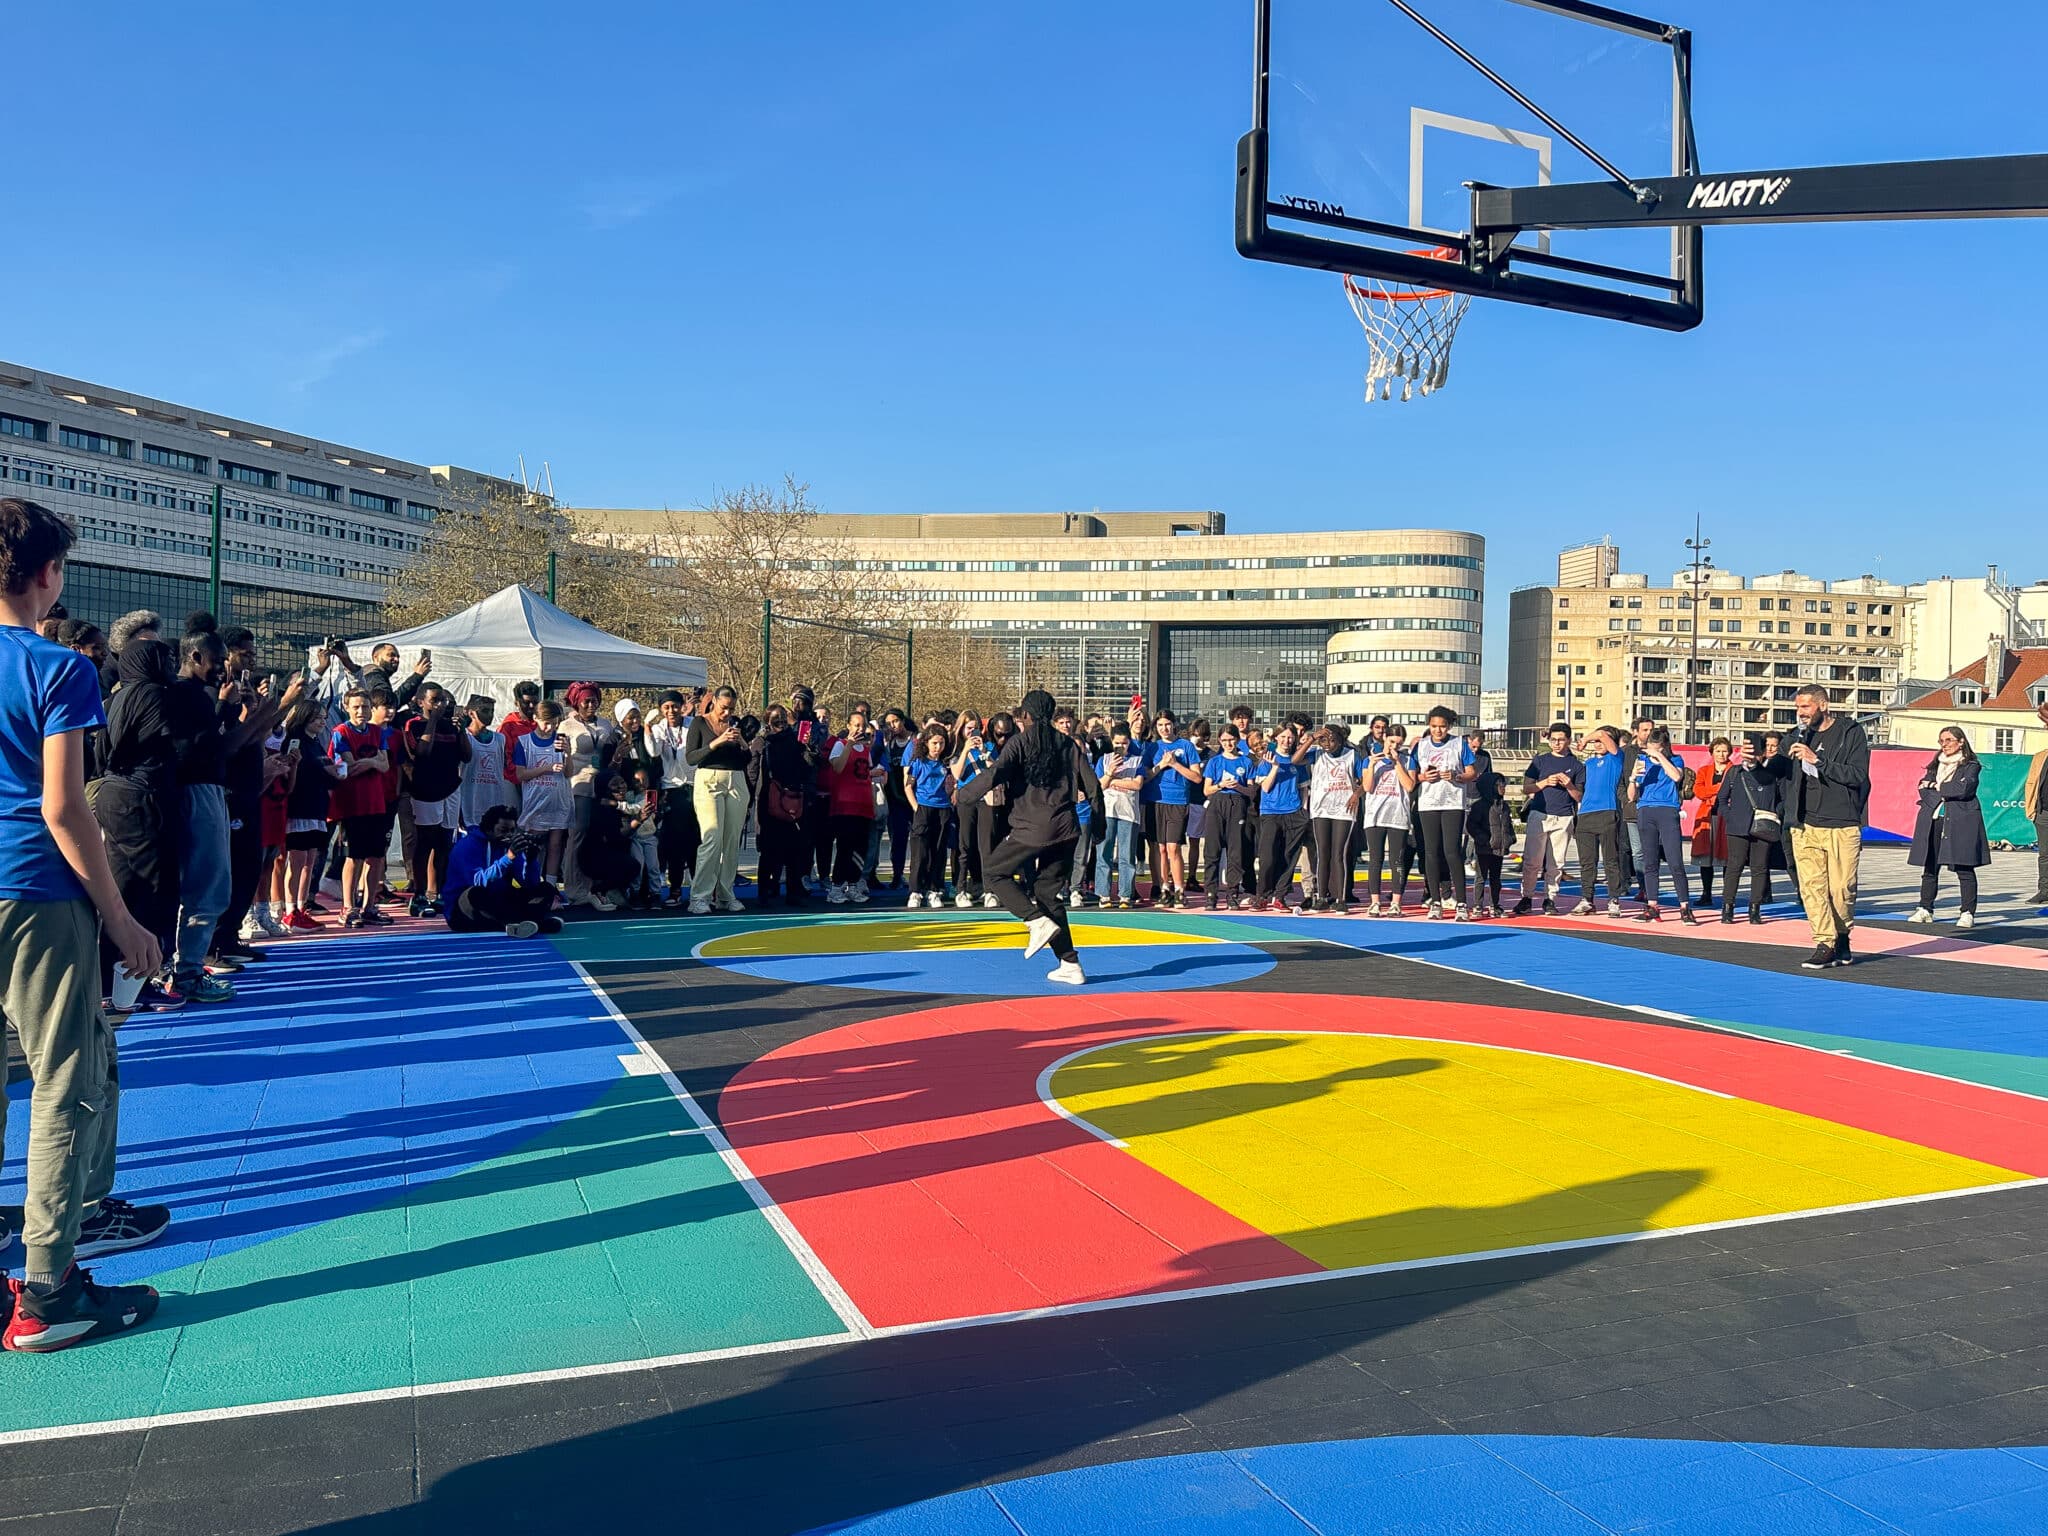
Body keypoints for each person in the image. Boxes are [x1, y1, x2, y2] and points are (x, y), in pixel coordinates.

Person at [1, 497, 167, 1351]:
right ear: (50, 575)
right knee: (65, 1083)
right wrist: (120, 915)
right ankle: (48, 1292)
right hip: (34, 893)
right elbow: (65, 808)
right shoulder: (56, 668)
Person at [955, 689, 1103, 985]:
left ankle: (1034, 921)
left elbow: (994, 773)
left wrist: (964, 795)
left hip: (1031, 828)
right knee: (1049, 895)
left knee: (994, 872)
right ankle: (1070, 963)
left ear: (1025, 715)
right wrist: (1099, 828)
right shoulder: (1069, 745)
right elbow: (1093, 786)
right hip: (1066, 829)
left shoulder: (1020, 743)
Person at [94, 639, 184, 1007]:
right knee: (151, 890)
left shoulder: (116, 698)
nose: (172, 664)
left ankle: (107, 982)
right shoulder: (154, 696)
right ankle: (139, 979)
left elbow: (99, 753)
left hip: (113, 794)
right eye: (166, 658)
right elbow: (175, 745)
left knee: (123, 888)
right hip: (143, 794)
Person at [1786, 684, 1871, 969]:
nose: (1801, 714)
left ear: (1822, 705)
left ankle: (1842, 934)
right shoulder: (1798, 736)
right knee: (1812, 887)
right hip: (1805, 824)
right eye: (1798, 708)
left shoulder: (1851, 733)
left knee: (1842, 889)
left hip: (1842, 823)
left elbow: (1858, 775)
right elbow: (1777, 765)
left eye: (1806, 707)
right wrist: (1757, 759)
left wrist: (1818, 761)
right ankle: (1824, 942)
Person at [400, 684, 472, 918]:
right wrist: (433, 721)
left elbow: (467, 756)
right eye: (434, 700)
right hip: (426, 790)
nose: (440, 704)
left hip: (451, 787)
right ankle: (419, 894)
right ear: (421, 702)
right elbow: (421, 752)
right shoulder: (414, 723)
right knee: (425, 842)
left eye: (442, 700)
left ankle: (439, 892)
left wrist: (461, 730)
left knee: (444, 843)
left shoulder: (450, 726)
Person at [1907, 726, 1989, 929]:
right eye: (1941, 741)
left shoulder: (1970, 765)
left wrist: (1936, 787)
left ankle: (1967, 912)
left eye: (1949, 740)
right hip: (1934, 820)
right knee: (1930, 866)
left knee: (1964, 867)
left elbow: (1964, 789)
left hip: (1960, 821)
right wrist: (1939, 789)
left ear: (1960, 742)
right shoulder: (1935, 765)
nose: (1944, 744)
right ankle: (1925, 908)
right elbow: (1922, 789)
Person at [327, 688, 395, 930]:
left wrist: (369, 762)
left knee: (376, 856)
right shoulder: (341, 733)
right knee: (353, 857)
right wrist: (371, 762)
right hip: (352, 804)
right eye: (356, 707)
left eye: (365, 707)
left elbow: (385, 765)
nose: (361, 711)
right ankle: (348, 907)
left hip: (376, 802)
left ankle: (369, 906)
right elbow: (349, 767)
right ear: (347, 707)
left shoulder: (377, 732)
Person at [685, 686, 752, 915]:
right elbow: (691, 757)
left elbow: (747, 759)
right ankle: (700, 896)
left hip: (736, 780)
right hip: (709, 779)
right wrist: (717, 741)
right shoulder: (699, 724)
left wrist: (742, 741)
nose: (727, 713)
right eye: (724, 708)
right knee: (712, 838)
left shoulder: (736, 725)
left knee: (731, 841)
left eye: (731, 709)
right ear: (714, 701)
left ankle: (725, 894)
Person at [444, 805, 561, 937]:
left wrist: (530, 860)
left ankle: (523, 923)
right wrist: (508, 857)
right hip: (463, 909)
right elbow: (478, 881)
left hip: (497, 901)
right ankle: (523, 923)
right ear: (489, 828)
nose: (509, 835)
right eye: (503, 830)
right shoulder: (467, 846)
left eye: (512, 830)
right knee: (475, 894)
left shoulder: (508, 846)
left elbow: (529, 884)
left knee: (545, 889)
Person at [280, 702, 342, 930]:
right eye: (317, 718)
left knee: (310, 860)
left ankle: (301, 906)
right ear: (305, 717)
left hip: (318, 807)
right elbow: (292, 773)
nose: (322, 722)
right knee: (296, 861)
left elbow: (325, 774)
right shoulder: (295, 742)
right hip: (299, 807)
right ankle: (289, 911)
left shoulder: (317, 744)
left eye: (323, 718)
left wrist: (333, 774)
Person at [1412, 706, 1477, 921]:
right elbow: (1412, 777)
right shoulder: (1420, 746)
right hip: (1428, 803)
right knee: (1431, 852)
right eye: (1433, 726)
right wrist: (1424, 777)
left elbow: (1471, 773)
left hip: (1452, 803)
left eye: (1442, 726)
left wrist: (1456, 776)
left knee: (1452, 851)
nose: (1438, 730)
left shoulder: (1459, 744)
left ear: (1449, 726)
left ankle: (1461, 903)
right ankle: (1435, 901)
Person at [1628, 724, 1696, 924]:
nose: (1651, 752)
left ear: (1664, 746)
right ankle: (1652, 906)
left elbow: (1676, 776)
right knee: (1650, 862)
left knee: (1675, 861)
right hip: (1645, 810)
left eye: (1656, 747)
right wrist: (1634, 777)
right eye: (1650, 747)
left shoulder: (1675, 760)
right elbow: (1632, 796)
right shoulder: (1641, 760)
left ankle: (1684, 906)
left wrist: (1660, 757)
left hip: (1667, 810)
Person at [1714, 734, 1784, 925]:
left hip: (1764, 826)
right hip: (1737, 827)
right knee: (1734, 868)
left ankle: (1755, 909)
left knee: (1759, 868)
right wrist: (1729, 817)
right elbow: (1721, 799)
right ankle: (1727, 908)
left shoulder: (1774, 773)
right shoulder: (1735, 772)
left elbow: (1782, 800)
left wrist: (1774, 814)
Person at [559, 682, 611, 911]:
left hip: (601, 784)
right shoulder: (566, 725)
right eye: (586, 701)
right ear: (576, 702)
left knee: (596, 836)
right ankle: (573, 887)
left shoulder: (606, 724)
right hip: (577, 783)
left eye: (594, 700)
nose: (591, 705)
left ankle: (594, 885)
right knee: (576, 835)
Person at [1517, 723, 1580, 916]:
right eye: (1553, 739)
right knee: (1532, 860)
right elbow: (1526, 788)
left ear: (1569, 740)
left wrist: (1569, 784)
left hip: (1563, 816)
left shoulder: (1577, 765)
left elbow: (1579, 797)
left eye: (1561, 739)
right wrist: (1544, 783)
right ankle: (1526, 897)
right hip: (1540, 814)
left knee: (1556, 862)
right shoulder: (1540, 760)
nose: (1557, 743)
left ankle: (1550, 898)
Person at [1143, 711, 1203, 908]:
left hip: (1178, 801)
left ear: (1174, 725)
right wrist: (1162, 764)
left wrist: (1175, 764)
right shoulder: (1152, 747)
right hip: (1156, 801)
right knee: (1159, 848)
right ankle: (1164, 888)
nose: (1164, 728)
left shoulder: (1186, 746)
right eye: (1160, 725)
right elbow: (1146, 776)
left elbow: (1196, 777)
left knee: (1173, 848)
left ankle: (1179, 890)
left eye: (1167, 724)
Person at [755, 705, 814, 906]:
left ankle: (793, 891)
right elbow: (753, 771)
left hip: (793, 798)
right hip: (769, 799)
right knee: (769, 850)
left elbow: (808, 767)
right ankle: (765, 889)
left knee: (794, 850)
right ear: (767, 721)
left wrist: (806, 747)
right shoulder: (762, 743)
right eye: (775, 719)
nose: (780, 723)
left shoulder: (797, 741)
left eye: (783, 719)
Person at [1252, 720, 1313, 912]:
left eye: (1290, 737)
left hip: (1294, 813)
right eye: (1283, 736)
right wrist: (1275, 767)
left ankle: (1280, 896)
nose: (1286, 740)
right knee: (1268, 856)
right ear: (1276, 737)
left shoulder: (1298, 761)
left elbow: (1304, 789)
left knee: (1289, 856)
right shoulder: (1267, 758)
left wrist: (1303, 811)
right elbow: (1266, 787)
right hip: (1271, 812)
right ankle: (1262, 895)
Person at [511, 697, 573, 883]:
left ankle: (551, 886)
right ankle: (529, 882)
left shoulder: (561, 740)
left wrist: (569, 753)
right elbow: (521, 775)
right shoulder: (523, 742)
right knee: (533, 845)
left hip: (558, 800)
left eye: (555, 724)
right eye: (547, 723)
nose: (551, 728)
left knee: (555, 845)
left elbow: (569, 772)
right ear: (536, 719)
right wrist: (546, 768)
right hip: (536, 801)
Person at [823, 707, 880, 903]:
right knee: (845, 847)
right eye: (856, 725)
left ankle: (853, 884)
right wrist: (849, 744)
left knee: (860, 848)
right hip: (844, 806)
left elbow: (866, 776)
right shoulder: (840, 745)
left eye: (862, 726)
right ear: (848, 726)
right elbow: (837, 768)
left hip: (862, 806)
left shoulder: (866, 750)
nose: (859, 729)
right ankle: (836, 886)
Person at [1359, 722, 1416, 916]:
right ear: (1384, 738)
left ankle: (1395, 902)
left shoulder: (1408, 760)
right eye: (1391, 741)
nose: (1394, 746)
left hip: (1398, 815)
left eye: (1399, 743)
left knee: (1397, 861)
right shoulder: (1370, 759)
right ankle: (1374, 901)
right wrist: (1374, 764)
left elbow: (1409, 786)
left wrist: (1397, 761)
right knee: (1376, 859)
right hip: (1375, 815)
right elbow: (1367, 788)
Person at [648, 691, 699, 907]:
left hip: (696, 787)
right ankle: (676, 888)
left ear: (683, 706)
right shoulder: (659, 728)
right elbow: (652, 751)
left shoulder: (694, 724)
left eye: (675, 706)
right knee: (675, 844)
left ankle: (700, 889)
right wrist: (647, 727)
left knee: (698, 841)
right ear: (661, 709)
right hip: (672, 790)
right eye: (666, 707)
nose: (671, 711)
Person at [1570, 726, 1628, 918]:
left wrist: (1585, 738)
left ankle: (1614, 899)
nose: (1598, 743)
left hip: (1607, 812)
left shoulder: (1616, 758)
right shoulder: (1588, 763)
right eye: (1595, 741)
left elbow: (1603, 734)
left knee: (1610, 860)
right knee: (1587, 862)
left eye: (1601, 740)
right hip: (1586, 814)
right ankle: (1587, 899)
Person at [1306, 724, 1360, 913]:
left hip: (1343, 809)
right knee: (1323, 853)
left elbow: (1365, 780)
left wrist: (1356, 794)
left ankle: (1341, 898)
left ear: (1340, 739)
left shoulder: (1352, 755)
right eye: (1324, 740)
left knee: (1339, 854)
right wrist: (1313, 738)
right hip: (1321, 809)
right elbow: (1295, 759)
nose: (1327, 744)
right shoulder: (1317, 753)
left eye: (1331, 740)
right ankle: (1321, 897)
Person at [1201, 723, 1256, 909]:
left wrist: (1238, 787)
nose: (1228, 743)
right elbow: (1206, 790)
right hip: (1218, 803)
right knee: (1212, 850)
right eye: (1224, 740)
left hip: (1238, 803)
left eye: (1231, 740)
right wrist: (1221, 785)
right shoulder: (1214, 762)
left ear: (1237, 740)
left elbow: (1251, 791)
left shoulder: (1246, 762)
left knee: (1236, 851)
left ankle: (1233, 892)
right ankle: (1211, 893)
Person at [903, 725, 956, 907]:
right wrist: (916, 807)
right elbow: (908, 786)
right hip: (924, 808)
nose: (937, 747)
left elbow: (952, 783)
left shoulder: (946, 764)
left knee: (939, 851)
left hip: (943, 809)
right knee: (920, 853)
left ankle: (934, 890)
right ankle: (915, 891)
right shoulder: (918, 763)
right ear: (926, 743)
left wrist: (950, 793)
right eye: (934, 743)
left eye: (941, 743)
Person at [1091, 724, 1143, 909]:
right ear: (1112, 742)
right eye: (1117, 743)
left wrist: (1114, 781)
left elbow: (1137, 785)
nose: (1122, 746)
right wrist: (1110, 774)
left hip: (1129, 813)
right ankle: (1104, 894)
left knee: (1126, 855)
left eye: (1125, 743)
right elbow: (1099, 786)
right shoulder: (1104, 760)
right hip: (1107, 811)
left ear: (1129, 742)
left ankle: (1125, 895)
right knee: (1103, 853)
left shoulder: (1137, 761)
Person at [951, 712, 998, 908]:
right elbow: (956, 773)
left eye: (975, 727)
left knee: (986, 845)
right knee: (965, 845)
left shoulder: (989, 747)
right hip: (966, 799)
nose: (972, 732)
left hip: (985, 799)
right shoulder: (957, 749)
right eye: (968, 728)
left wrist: (985, 754)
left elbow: (995, 770)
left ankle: (989, 890)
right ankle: (961, 889)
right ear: (961, 729)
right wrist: (966, 751)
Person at [579, 770, 642, 908]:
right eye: (615, 784)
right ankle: (598, 891)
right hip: (593, 858)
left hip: (610, 854)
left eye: (622, 782)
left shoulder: (621, 805)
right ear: (604, 787)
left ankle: (618, 891)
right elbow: (614, 837)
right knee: (632, 866)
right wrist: (638, 820)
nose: (621, 787)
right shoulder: (602, 807)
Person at [457, 695, 514, 831]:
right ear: (471, 713)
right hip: (468, 801)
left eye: (492, 711)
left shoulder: (500, 739)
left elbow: (503, 766)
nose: (489, 715)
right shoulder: (464, 737)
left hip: (493, 801)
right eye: (485, 711)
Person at [1690, 737, 1733, 909]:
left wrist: (1714, 791)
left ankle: (1728, 895)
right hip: (1707, 815)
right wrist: (1720, 789)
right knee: (1705, 858)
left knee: (1726, 857)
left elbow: (1734, 791)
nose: (1721, 754)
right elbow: (1699, 791)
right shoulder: (1704, 770)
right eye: (1718, 750)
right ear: (1712, 752)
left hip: (1727, 817)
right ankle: (1706, 893)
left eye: (1724, 750)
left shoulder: (1734, 770)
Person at [1468, 754, 1513, 918]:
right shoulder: (1479, 806)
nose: (1503, 787)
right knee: (1481, 878)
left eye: (1504, 784)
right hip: (1484, 848)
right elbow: (1471, 825)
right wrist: (1481, 838)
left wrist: (1510, 838)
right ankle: (1478, 906)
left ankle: (1495, 904)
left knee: (1496, 879)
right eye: (1499, 784)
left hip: (1499, 848)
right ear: (1489, 786)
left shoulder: (1504, 806)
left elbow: (1508, 824)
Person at [619, 763, 665, 906]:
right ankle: (635, 892)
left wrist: (617, 805)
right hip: (635, 838)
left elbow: (635, 809)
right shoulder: (629, 795)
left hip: (649, 837)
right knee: (637, 865)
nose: (641, 784)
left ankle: (655, 893)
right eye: (637, 780)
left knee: (653, 866)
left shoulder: (651, 796)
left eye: (644, 780)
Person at [2024, 702, 2048, 908]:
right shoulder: (2041, 756)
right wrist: (2031, 810)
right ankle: (2045, 890)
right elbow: (2031, 783)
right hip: (2043, 813)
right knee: (2045, 854)